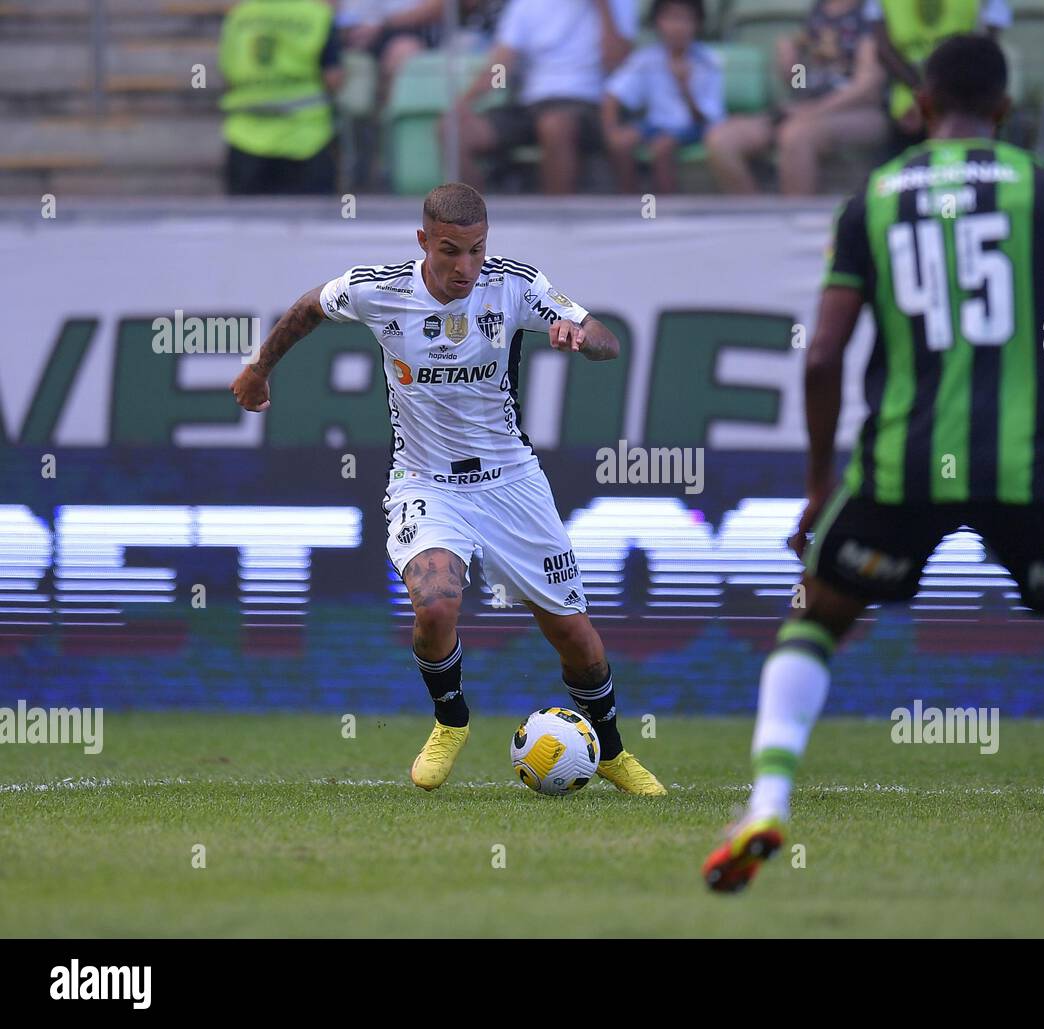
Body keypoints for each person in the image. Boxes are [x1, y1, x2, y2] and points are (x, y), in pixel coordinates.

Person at [702, 35, 1044, 897]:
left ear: (920, 107)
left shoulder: (874, 199)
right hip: (1024, 470)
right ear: (1004, 111)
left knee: (816, 618)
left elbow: (821, 357)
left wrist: (820, 483)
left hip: (900, 469)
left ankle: (767, 801)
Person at [229, 182, 666, 797]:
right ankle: (451, 720)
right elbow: (308, 308)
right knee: (436, 603)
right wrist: (257, 368)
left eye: (478, 250)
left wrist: (578, 338)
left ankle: (614, 753)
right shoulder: (381, 290)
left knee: (571, 633)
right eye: (451, 251)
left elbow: (604, 339)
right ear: (423, 243)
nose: (466, 267)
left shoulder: (513, 284)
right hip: (426, 482)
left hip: (512, 481)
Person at [449, 0, 638, 195]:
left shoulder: (619, 3)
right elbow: (501, 65)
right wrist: (463, 105)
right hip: (531, 105)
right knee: (454, 131)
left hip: (589, 105)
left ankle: (559, 219)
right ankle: (474, 218)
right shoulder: (525, 4)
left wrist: (602, 7)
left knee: (554, 124)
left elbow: (617, 64)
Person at [705, 0, 884, 196]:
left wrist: (814, 110)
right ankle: (756, 216)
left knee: (795, 136)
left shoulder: (871, 13)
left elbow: (867, 86)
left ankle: (794, 219)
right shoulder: (818, 11)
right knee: (723, 140)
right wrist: (791, 65)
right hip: (804, 109)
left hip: (857, 112)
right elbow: (801, 83)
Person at [219, 0, 344, 195]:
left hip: (247, 135)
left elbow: (227, 72)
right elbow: (333, 78)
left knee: (246, 221)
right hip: (306, 137)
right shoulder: (317, 15)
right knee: (312, 220)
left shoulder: (239, 15)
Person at [602, 0, 724, 194]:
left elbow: (706, 119)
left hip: (695, 127)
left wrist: (685, 89)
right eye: (672, 19)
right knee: (621, 144)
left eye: (686, 20)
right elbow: (613, 94)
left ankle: (666, 214)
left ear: (698, 24)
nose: (678, 27)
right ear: (658, 22)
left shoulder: (707, 61)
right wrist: (611, 131)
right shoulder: (647, 59)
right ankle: (631, 207)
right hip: (656, 125)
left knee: (662, 147)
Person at [867, 0, 1009, 155]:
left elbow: (986, 51)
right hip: (909, 105)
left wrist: (928, 97)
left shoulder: (887, 178)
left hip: (966, 101)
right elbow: (883, 50)